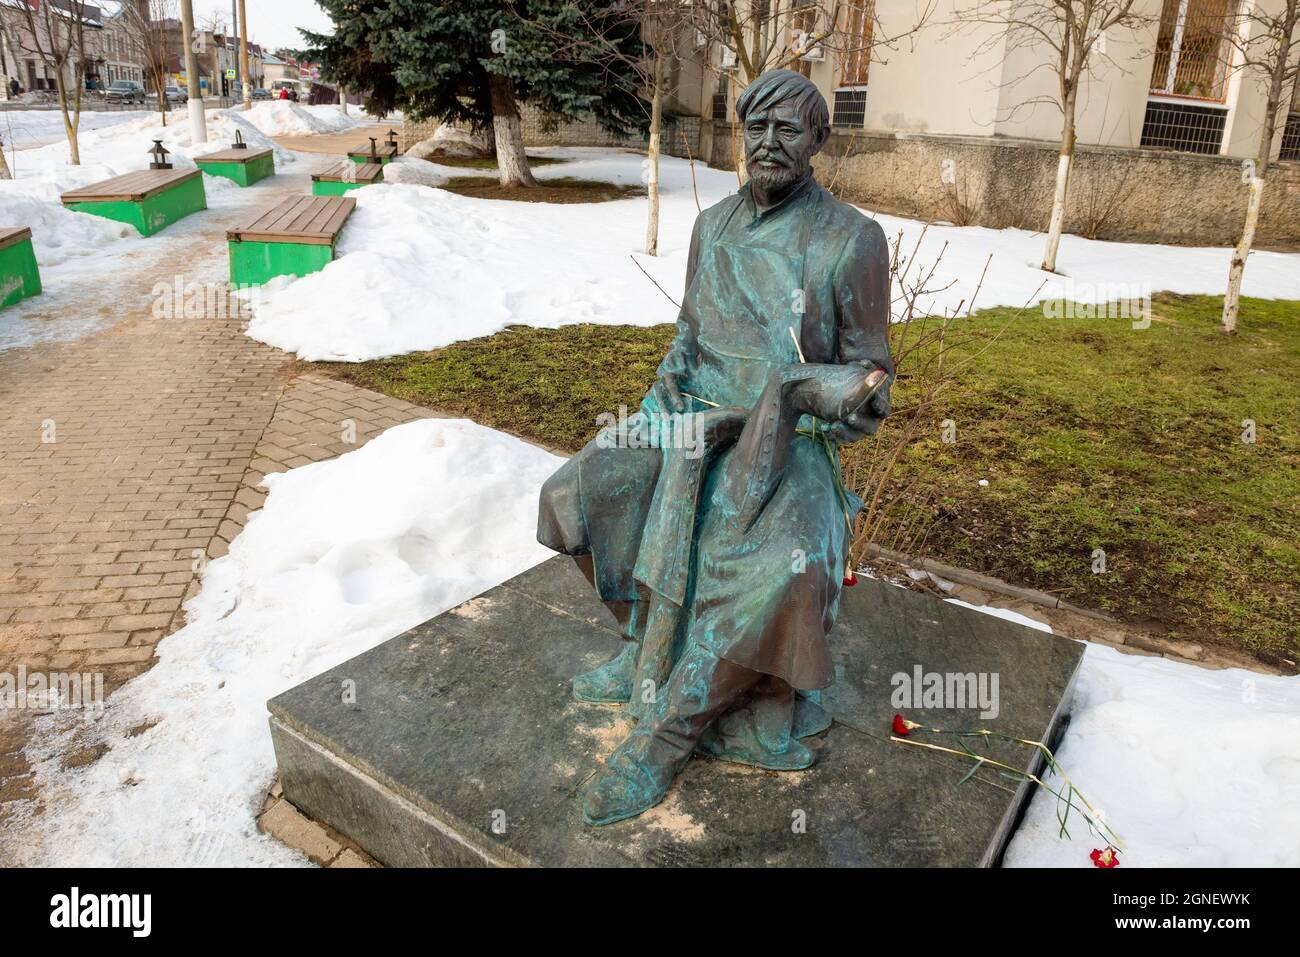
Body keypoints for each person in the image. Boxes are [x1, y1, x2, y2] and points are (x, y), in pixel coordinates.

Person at [536, 69, 893, 826]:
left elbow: (872, 377)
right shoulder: (714, 225)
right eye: (755, 127)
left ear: (818, 141)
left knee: (777, 570)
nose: (767, 142)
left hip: (789, 446)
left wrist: (822, 398)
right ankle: (645, 642)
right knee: (576, 490)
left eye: (787, 129)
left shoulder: (850, 241)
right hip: (690, 421)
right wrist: (661, 400)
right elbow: (689, 337)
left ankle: (668, 735)